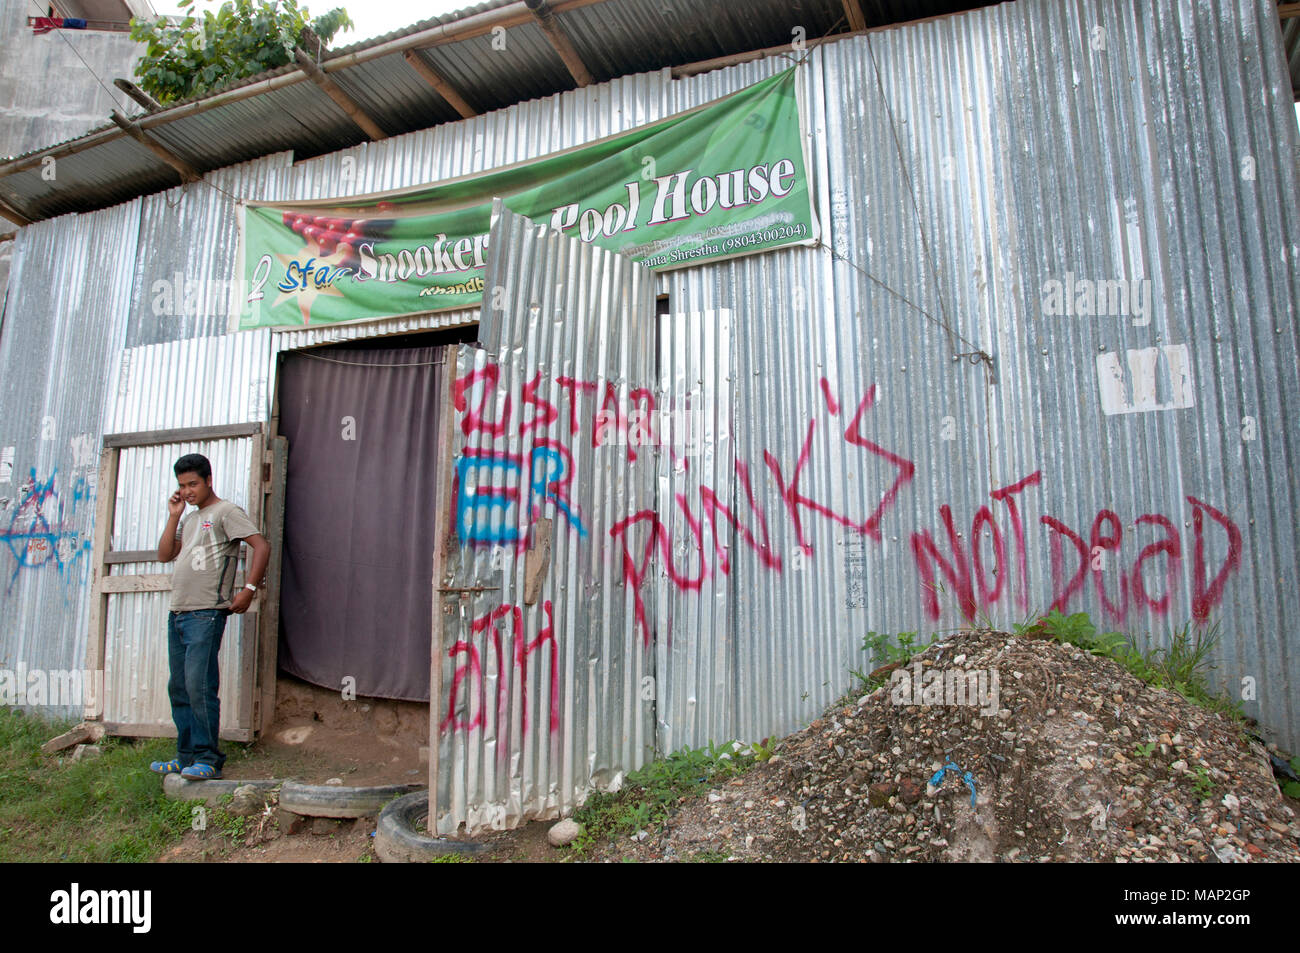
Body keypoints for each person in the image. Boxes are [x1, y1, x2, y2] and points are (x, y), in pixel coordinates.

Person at [149, 453, 270, 781]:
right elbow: (164, 555)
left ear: (208, 481)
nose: (187, 491)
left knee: (199, 685)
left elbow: (261, 546)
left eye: (193, 484)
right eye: (181, 486)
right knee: (179, 686)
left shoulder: (226, 512)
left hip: (206, 612)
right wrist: (174, 515)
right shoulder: (189, 519)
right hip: (178, 612)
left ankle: (207, 757)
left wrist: (248, 588)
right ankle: (185, 755)